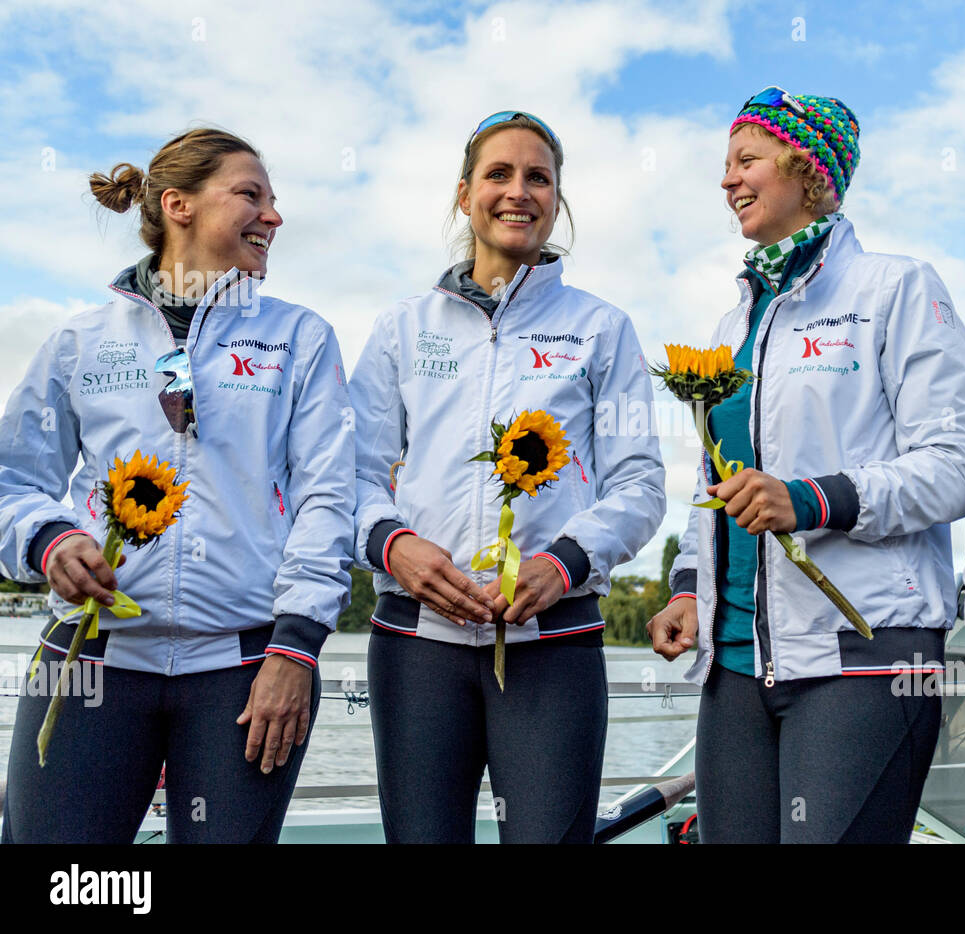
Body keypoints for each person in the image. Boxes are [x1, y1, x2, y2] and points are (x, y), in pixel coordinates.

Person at [0, 127, 356, 843]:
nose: (274, 217)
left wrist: (296, 649)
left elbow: (328, 498)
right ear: (178, 205)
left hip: (248, 669)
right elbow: (13, 480)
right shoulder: (81, 340)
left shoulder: (301, 338)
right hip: (90, 659)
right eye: (251, 196)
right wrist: (49, 540)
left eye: (274, 201)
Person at [647, 88, 965, 843]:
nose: (727, 180)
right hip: (733, 667)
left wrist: (811, 499)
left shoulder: (897, 288)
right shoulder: (734, 322)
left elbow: (956, 467)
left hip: (864, 656)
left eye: (747, 160)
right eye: (725, 164)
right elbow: (718, 483)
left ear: (807, 171)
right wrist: (690, 590)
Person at [350, 111, 666, 844]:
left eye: (538, 177)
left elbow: (640, 485)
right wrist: (392, 544)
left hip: (553, 648)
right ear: (464, 195)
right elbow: (348, 476)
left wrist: (565, 563)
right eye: (498, 174)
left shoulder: (602, 328)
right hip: (415, 645)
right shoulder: (403, 328)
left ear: (556, 200)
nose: (517, 191)